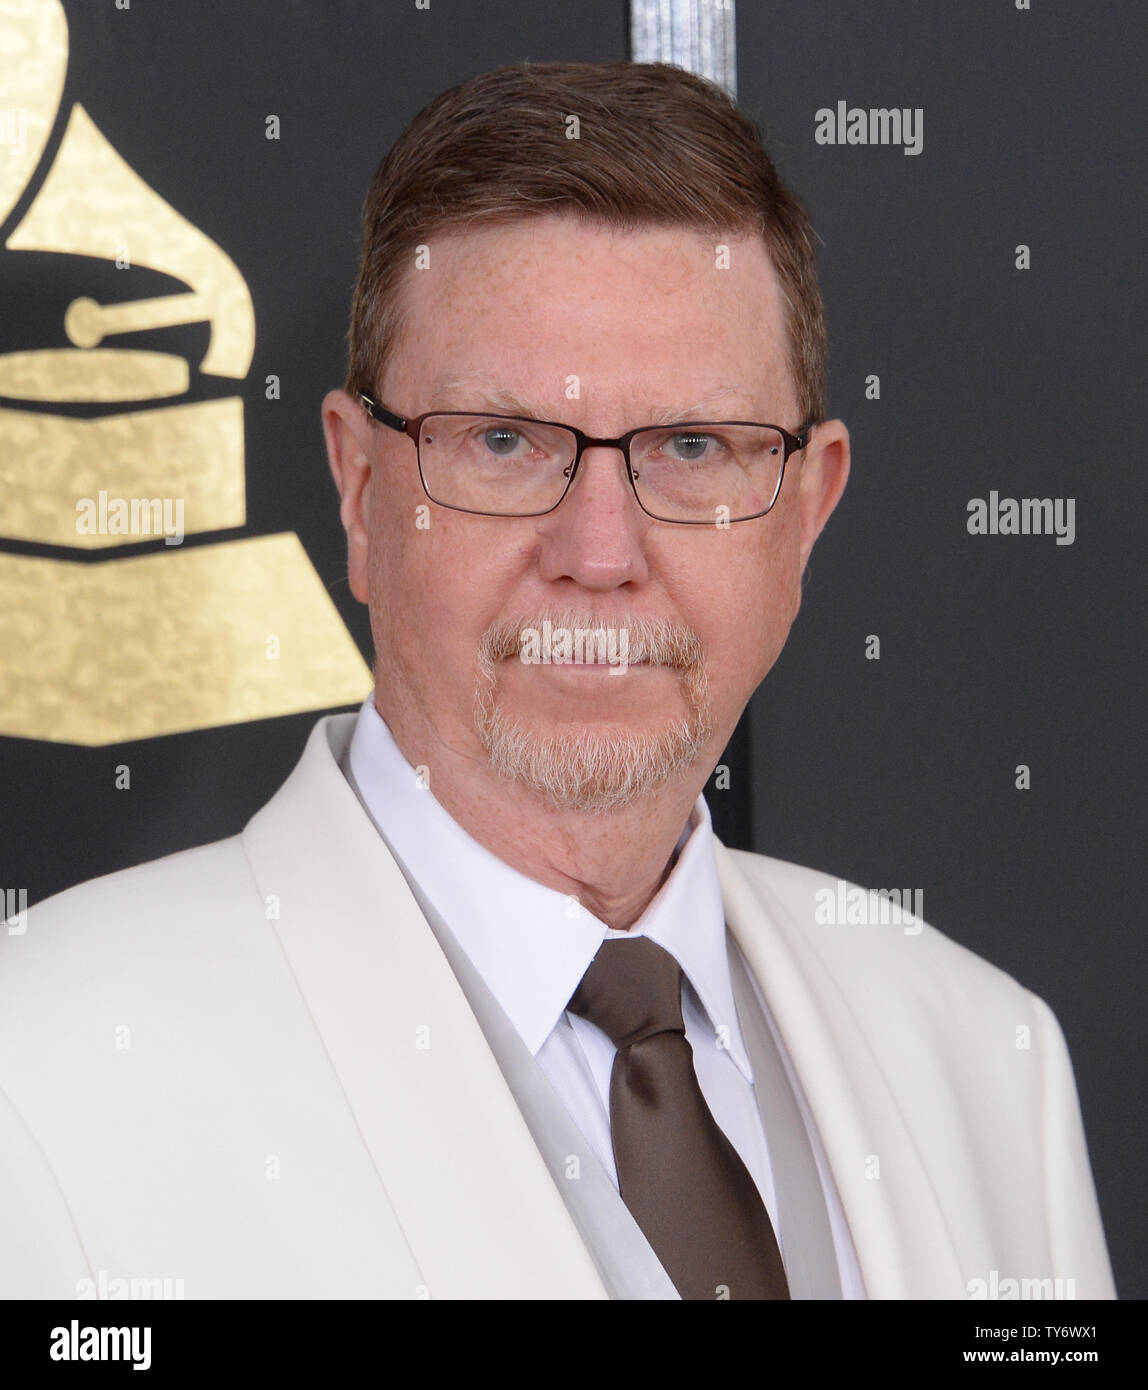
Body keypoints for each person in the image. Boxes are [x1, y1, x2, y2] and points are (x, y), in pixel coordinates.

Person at [0, 61, 1114, 1301]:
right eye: (503, 441)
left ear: (803, 515)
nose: (597, 554)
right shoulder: (36, 1081)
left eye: (692, 446)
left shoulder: (986, 1061)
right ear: (361, 491)